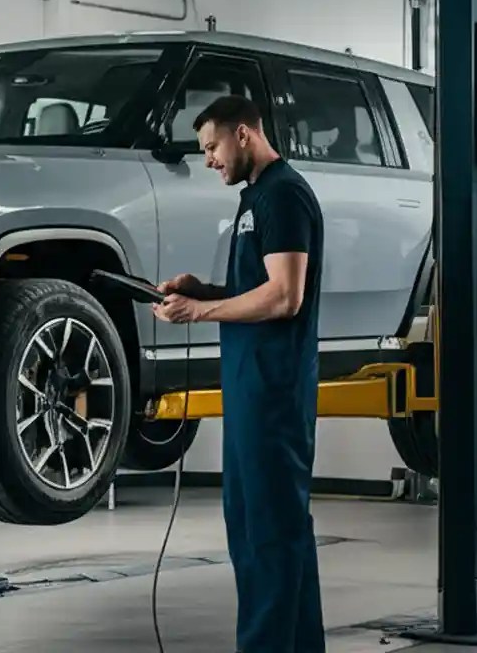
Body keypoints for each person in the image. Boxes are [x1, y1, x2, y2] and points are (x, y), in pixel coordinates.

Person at [152, 94, 326, 652]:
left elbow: (284, 297)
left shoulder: (285, 196)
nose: (208, 160)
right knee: (259, 529)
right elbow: (258, 288)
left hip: (274, 389)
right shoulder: (256, 198)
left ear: (245, 134)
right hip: (251, 386)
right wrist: (204, 291)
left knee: (269, 534)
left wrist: (199, 312)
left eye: (212, 147)